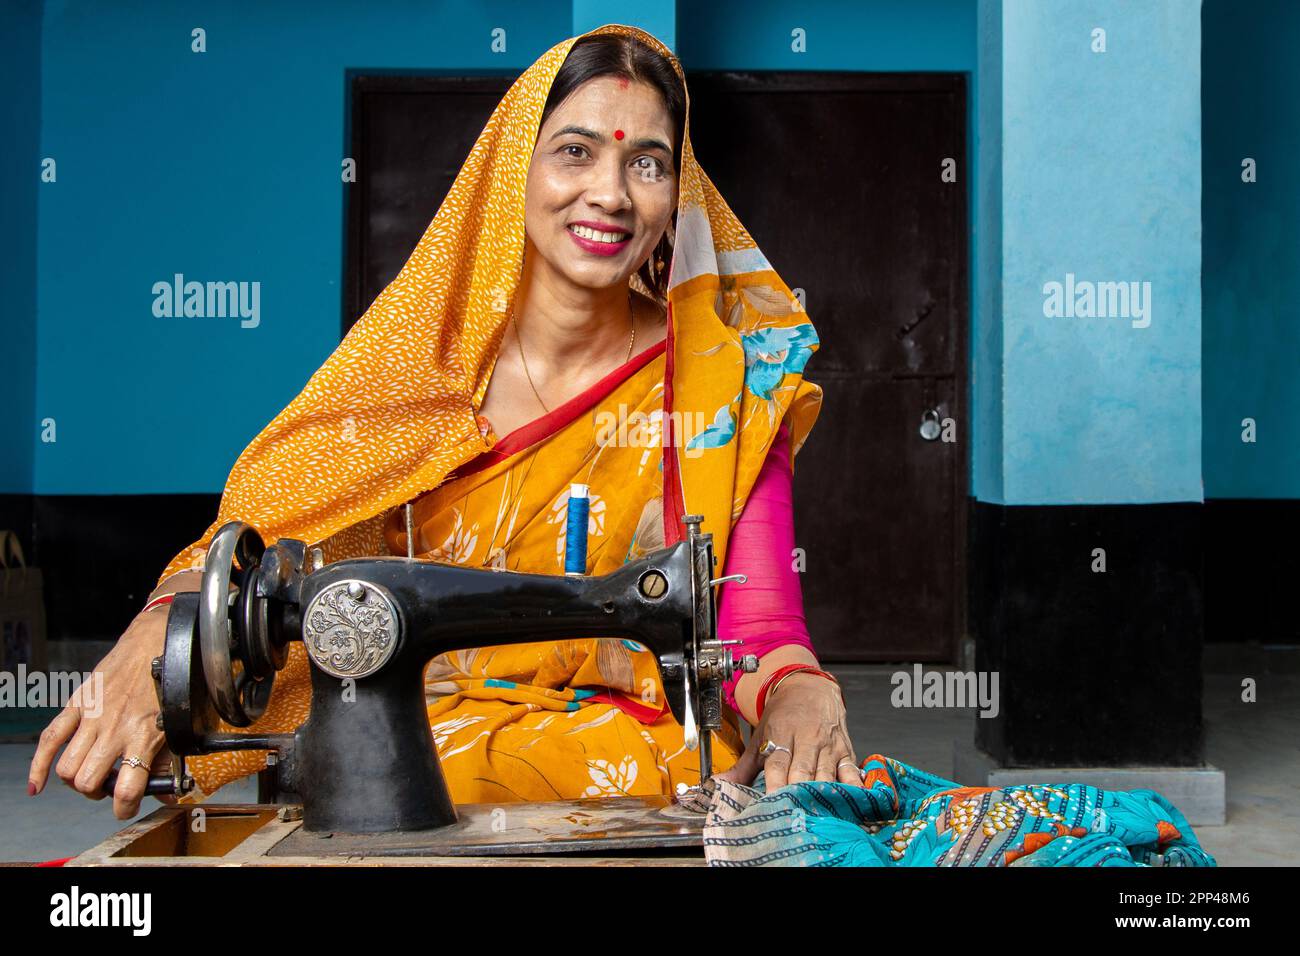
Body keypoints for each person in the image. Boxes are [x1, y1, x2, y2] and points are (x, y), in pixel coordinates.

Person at [26, 24, 846, 818]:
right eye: (575, 151)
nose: (611, 193)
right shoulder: (420, 358)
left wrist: (797, 685)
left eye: (647, 163)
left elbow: (757, 619)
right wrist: (162, 629)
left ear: (678, 192)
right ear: (509, 169)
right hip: (412, 744)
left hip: (642, 764)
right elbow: (271, 531)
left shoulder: (722, 379)